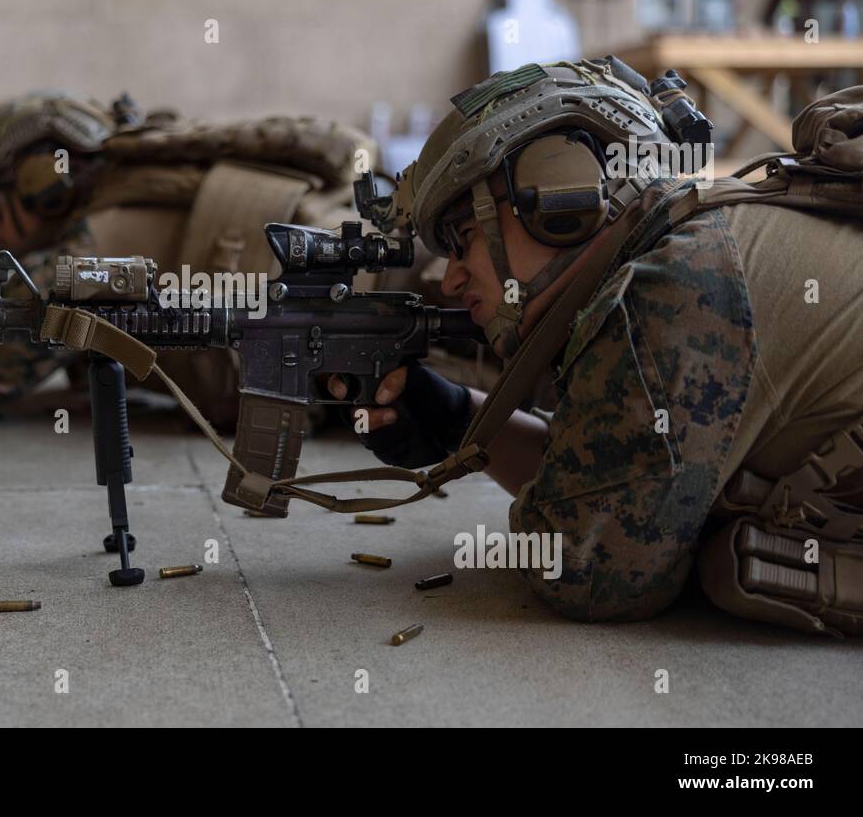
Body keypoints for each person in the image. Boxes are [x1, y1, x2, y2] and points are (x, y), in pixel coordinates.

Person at [330, 58, 863, 635]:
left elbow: (588, 572)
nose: (453, 279)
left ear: (559, 195)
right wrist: (460, 418)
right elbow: (611, 487)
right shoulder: (699, 243)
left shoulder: (675, 289)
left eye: (462, 241)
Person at [0, 92, 417, 430]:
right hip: (404, 272)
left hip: (399, 356)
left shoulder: (78, 264)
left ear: (40, 182)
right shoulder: (168, 176)